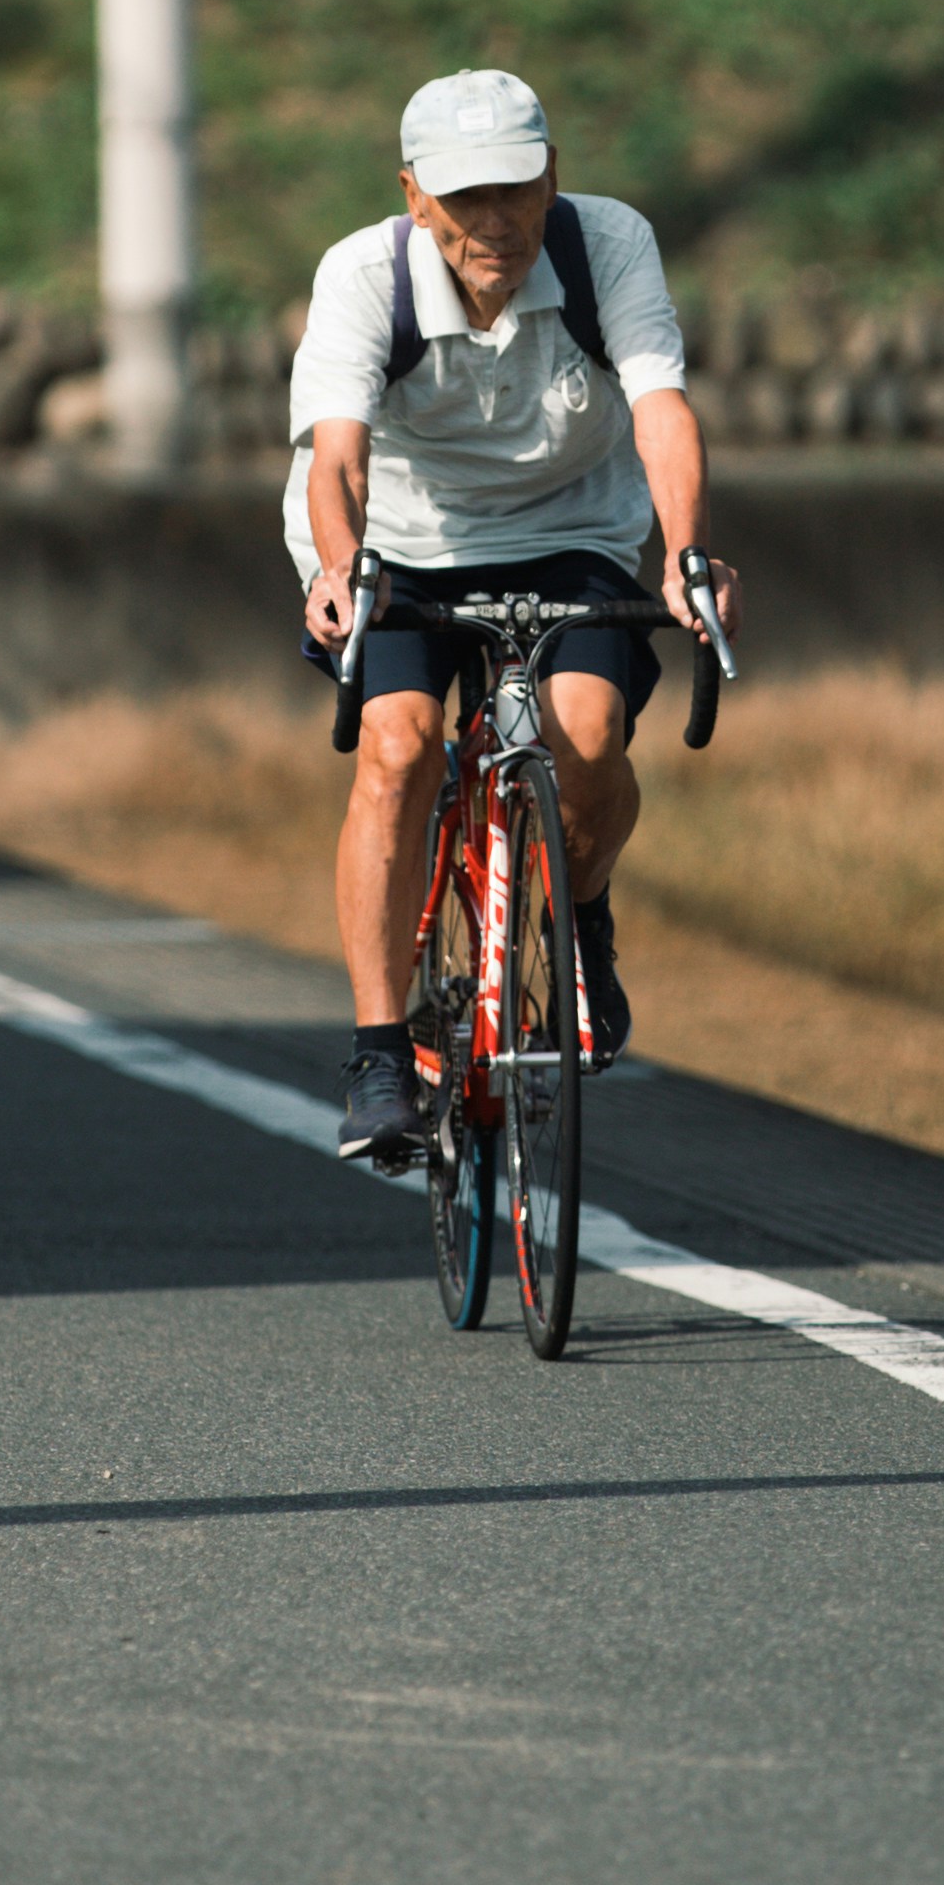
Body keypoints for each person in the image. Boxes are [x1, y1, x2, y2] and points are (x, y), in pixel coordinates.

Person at [289, 65, 729, 1167]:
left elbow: (661, 410)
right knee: (399, 746)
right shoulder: (361, 275)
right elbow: (335, 459)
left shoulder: (604, 243)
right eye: (464, 197)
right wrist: (342, 570)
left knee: (583, 734)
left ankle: (578, 913)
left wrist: (684, 554)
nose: (495, 221)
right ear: (414, 196)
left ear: (551, 178)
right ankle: (381, 1051)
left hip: (571, 531)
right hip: (398, 545)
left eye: (516, 189)